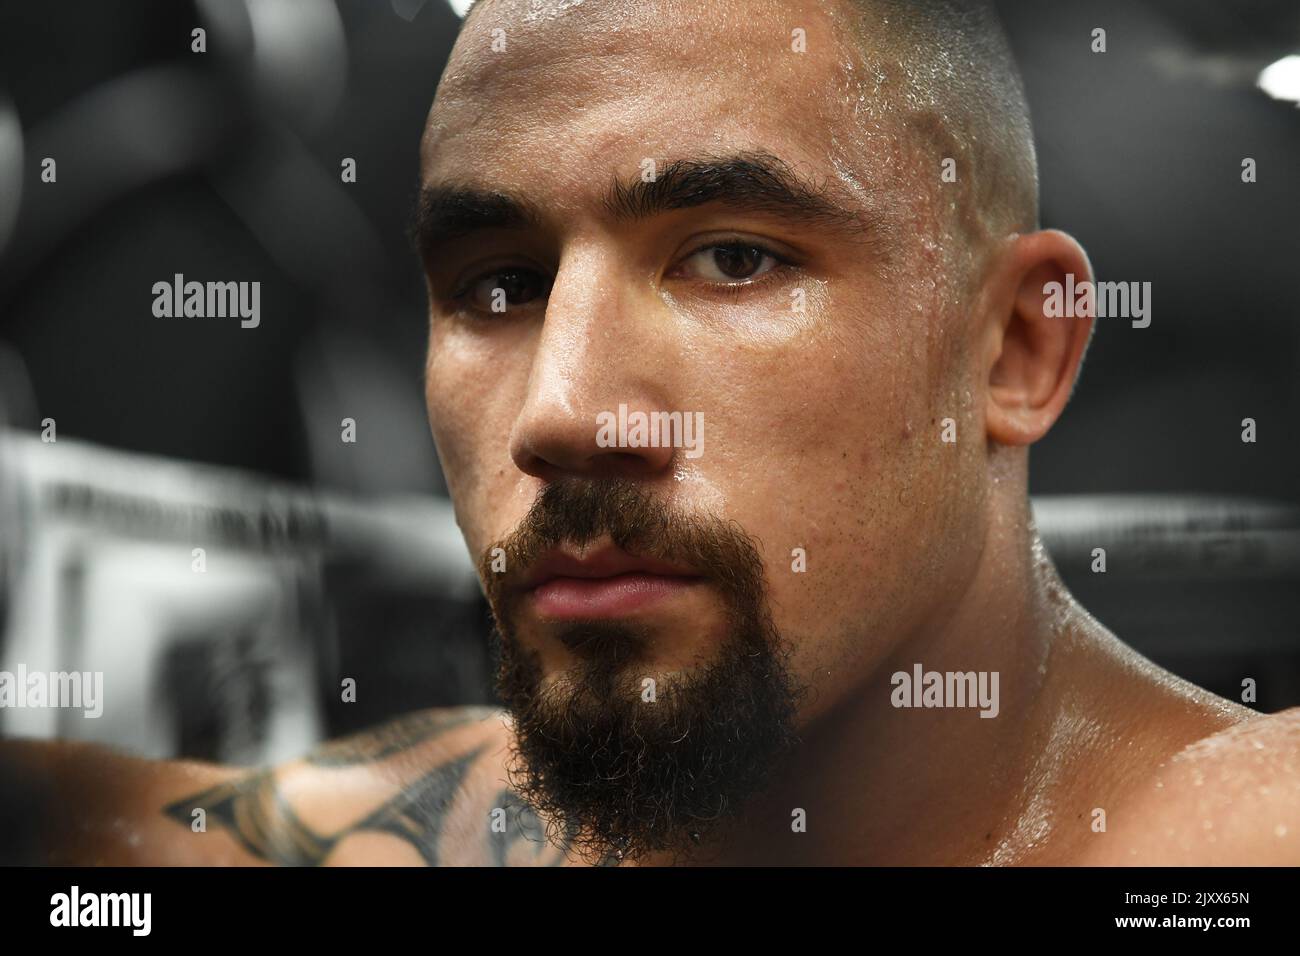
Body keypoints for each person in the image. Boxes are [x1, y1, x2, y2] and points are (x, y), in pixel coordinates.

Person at [2, 0, 1296, 867]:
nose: (561, 414)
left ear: (1014, 350)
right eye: (497, 287)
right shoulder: (421, 830)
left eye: (732, 259)